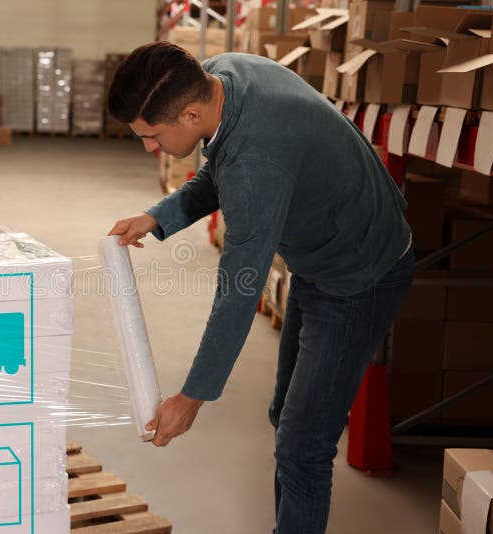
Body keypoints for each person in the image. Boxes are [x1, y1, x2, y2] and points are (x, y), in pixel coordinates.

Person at [105, 42, 414, 534]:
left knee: (303, 445)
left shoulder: (256, 166)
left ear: (189, 113)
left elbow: (238, 292)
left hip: (359, 273)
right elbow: (220, 171)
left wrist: (192, 397)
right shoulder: (224, 76)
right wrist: (156, 217)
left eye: (152, 136)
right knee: (284, 414)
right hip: (324, 255)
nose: (149, 147)